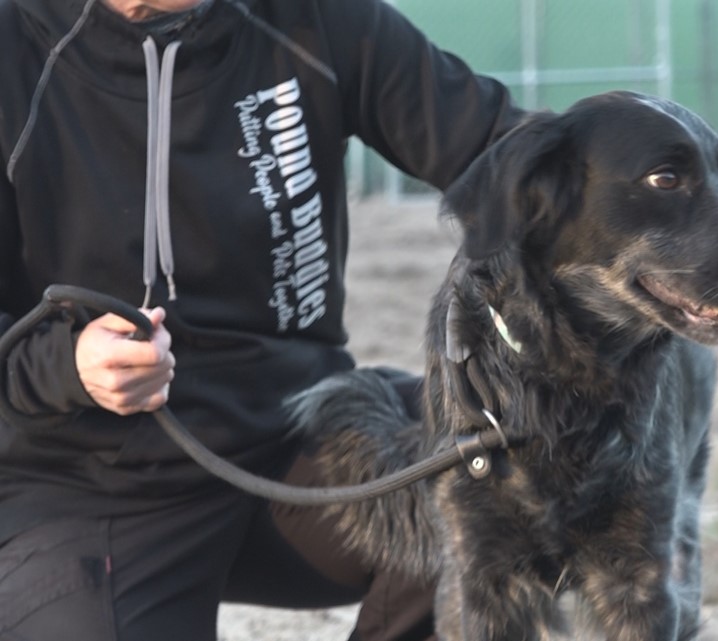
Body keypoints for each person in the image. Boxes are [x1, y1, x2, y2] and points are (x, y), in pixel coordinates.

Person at [0, 0, 523, 639]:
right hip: (82, 481)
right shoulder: (16, 45)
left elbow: (511, 158)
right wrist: (67, 363)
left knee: (499, 471)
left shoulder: (315, 21)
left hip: (294, 438)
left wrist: (647, 178)